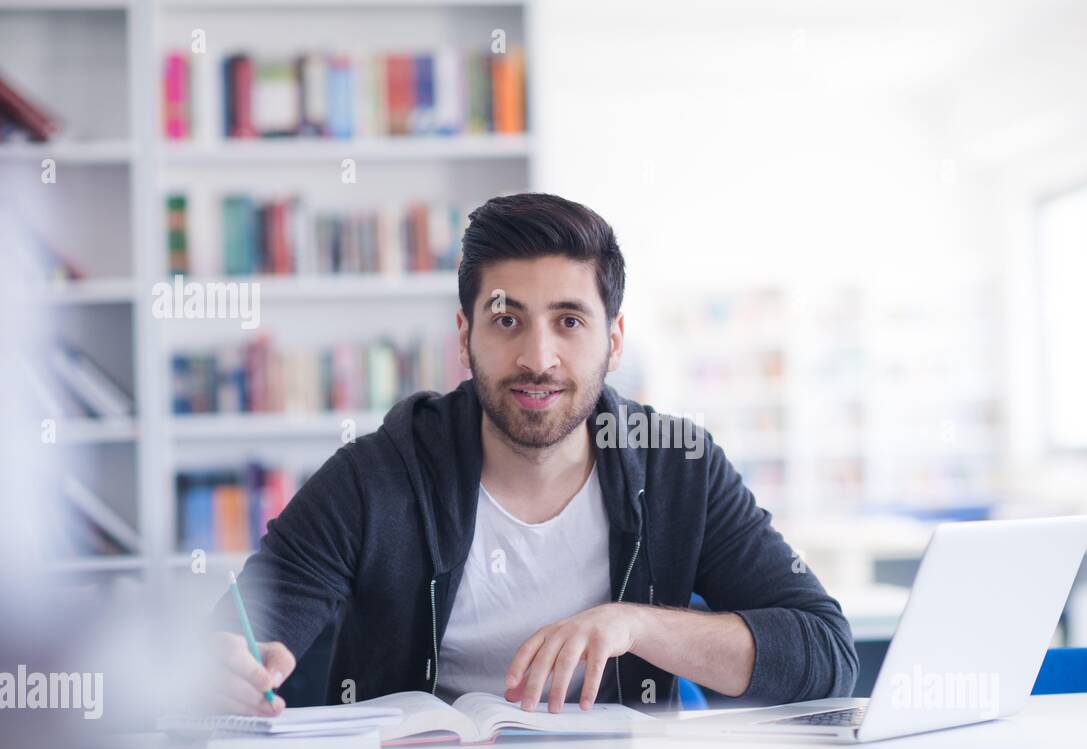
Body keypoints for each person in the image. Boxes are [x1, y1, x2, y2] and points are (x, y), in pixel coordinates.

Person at [205, 193, 856, 716]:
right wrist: (221, 666)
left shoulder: (678, 467)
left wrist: (635, 625)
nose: (538, 358)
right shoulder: (377, 475)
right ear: (465, 337)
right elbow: (234, 633)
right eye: (507, 319)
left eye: (569, 321)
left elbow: (825, 653)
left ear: (614, 340)